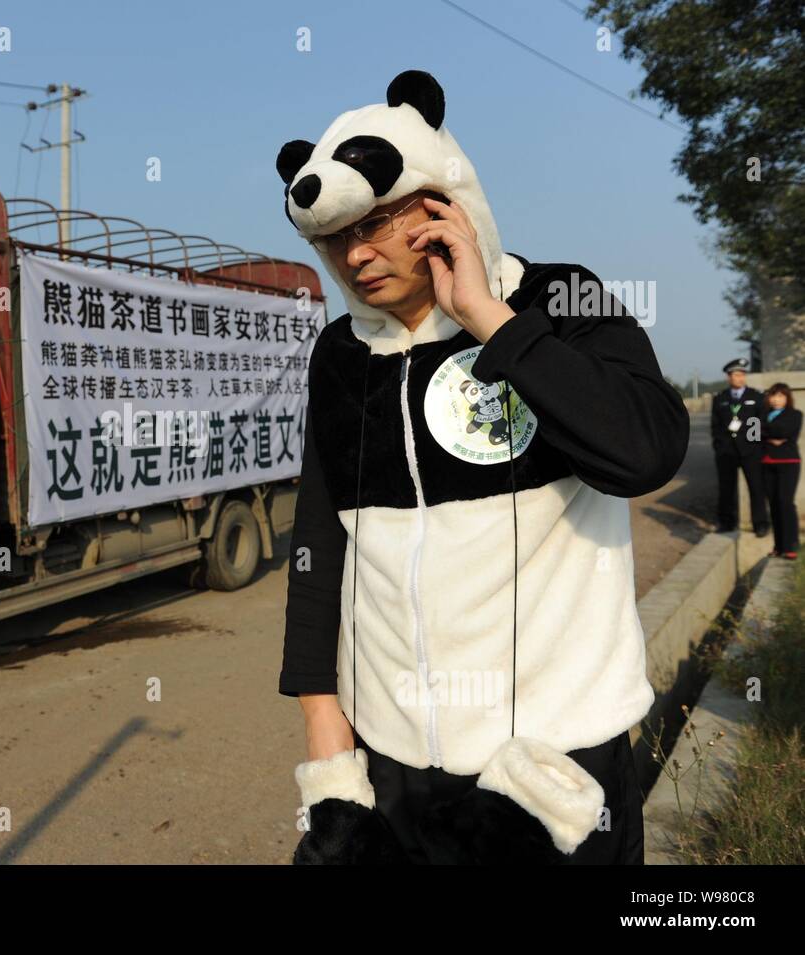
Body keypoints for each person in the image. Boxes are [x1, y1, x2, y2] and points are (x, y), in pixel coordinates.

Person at [275, 70, 689, 865]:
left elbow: (645, 453)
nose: (357, 253)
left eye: (381, 219)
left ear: (444, 199)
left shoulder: (558, 301)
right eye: (335, 237)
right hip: (393, 767)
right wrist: (330, 754)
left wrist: (491, 321)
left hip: (553, 771)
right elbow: (320, 546)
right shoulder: (340, 353)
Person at [711, 357, 770, 535]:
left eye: (743, 374)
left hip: (750, 451)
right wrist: (720, 446)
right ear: (729, 377)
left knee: (756, 488)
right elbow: (716, 425)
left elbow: (758, 422)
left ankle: (760, 523)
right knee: (726, 489)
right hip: (727, 452)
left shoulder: (756, 396)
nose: (740, 378)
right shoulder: (720, 398)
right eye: (737, 375)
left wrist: (754, 445)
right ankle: (727, 522)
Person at [759, 382, 801, 559]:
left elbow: (786, 431)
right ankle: (778, 546)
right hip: (767, 462)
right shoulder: (762, 414)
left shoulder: (796, 414)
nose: (776, 400)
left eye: (781, 396)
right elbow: (752, 435)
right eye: (773, 395)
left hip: (788, 463)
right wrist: (770, 434)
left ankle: (790, 546)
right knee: (774, 504)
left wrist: (766, 431)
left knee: (785, 502)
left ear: (787, 398)